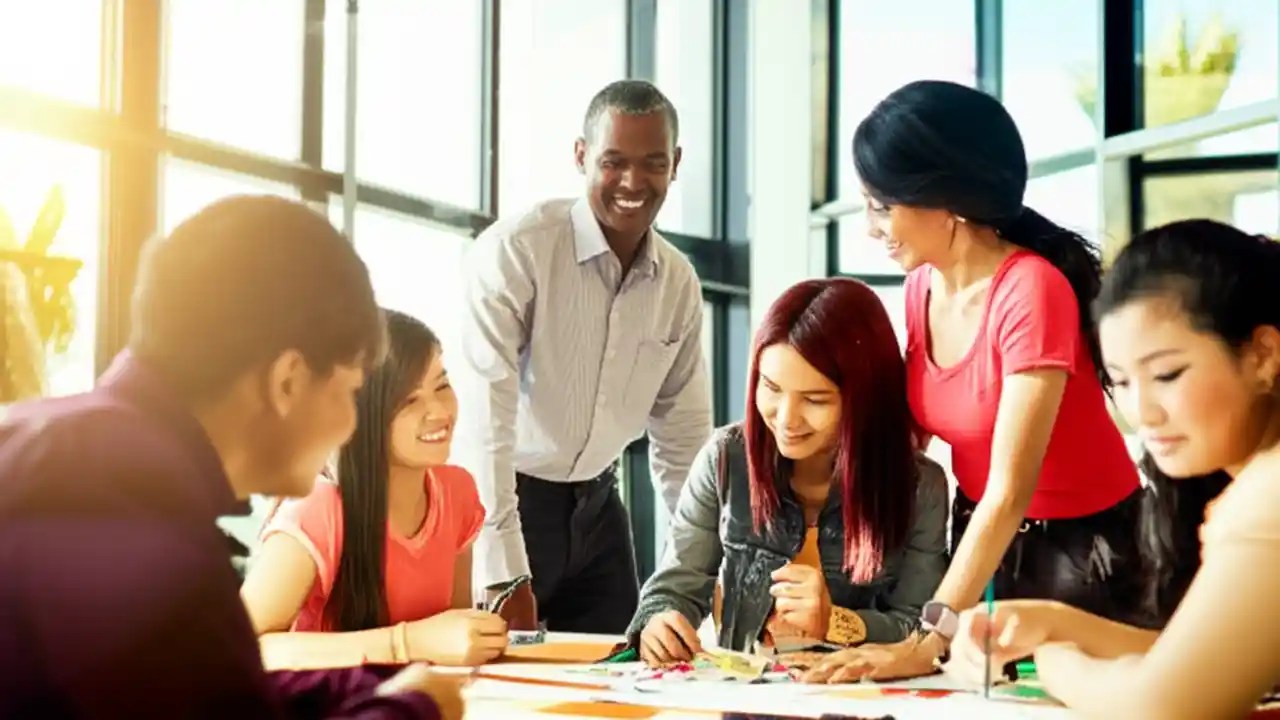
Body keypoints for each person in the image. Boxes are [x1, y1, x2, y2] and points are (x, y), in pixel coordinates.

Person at [803, 80, 1211, 683]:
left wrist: (925, 639)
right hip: (981, 534)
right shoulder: (922, 287)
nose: (870, 227)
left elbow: (1009, 490)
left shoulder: (1030, 290)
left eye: (882, 205)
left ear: (946, 198)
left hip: (1089, 551)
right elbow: (907, 441)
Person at [0, 196, 460, 719]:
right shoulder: (127, 532)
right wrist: (415, 710)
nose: (352, 426)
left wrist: (371, 687)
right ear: (288, 381)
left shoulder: (82, 457)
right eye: (351, 391)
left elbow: (211, 692)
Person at [947, 219, 1280, 718]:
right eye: (1121, 382)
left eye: (1167, 374)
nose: (1141, 412)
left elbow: (1164, 705)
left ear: (1263, 354)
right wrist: (1053, 622)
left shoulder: (1266, 497)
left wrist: (1055, 660)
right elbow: (1193, 659)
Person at [455, 78, 713, 634]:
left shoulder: (678, 284)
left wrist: (699, 568)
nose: (633, 182)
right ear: (581, 156)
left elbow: (684, 439)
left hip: (600, 508)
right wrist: (502, 571)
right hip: (510, 499)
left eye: (653, 163)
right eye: (613, 161)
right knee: (505, 689)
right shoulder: (517, 251)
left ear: (676, 163)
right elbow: (484, 423)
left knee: (617, 684)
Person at [627, 279, 949, 665]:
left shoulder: (919, 488)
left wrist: (836, 622)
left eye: (815, 399)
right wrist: (658, 622)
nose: (786, 418)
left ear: (866, 399)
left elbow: (922, 630)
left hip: (858, 698)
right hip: (745, 694)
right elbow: (675, 587)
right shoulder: (725, 459)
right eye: (771, 387)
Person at [242, 310, 507, 670]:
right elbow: (241, 648)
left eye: (442, 386)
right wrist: (404, 643)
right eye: (409, 401)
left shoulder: (457, 492)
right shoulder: (319, 509)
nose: (439, 411)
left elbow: (453, 636)